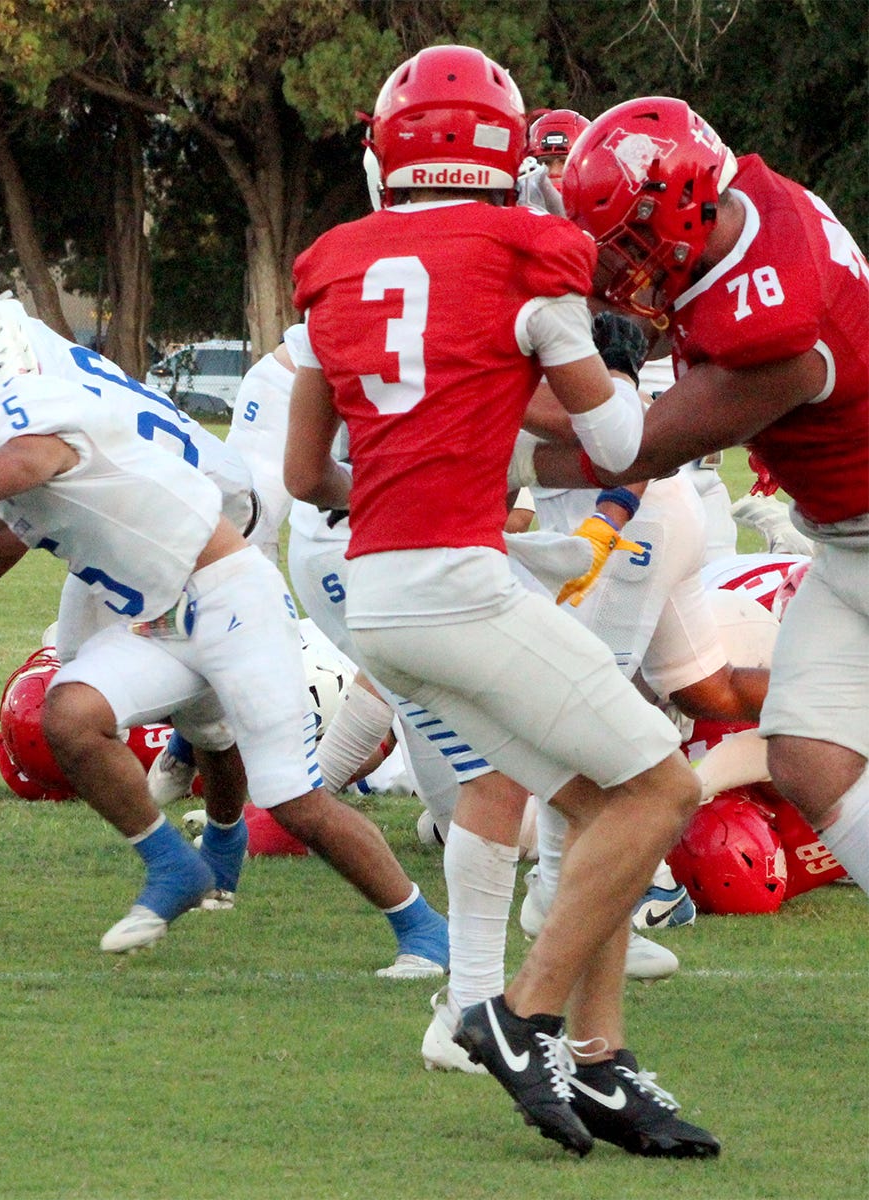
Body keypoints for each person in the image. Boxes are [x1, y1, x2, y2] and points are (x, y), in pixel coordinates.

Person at [283, 48, 711, 1158]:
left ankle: (603, 1063)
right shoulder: (530, 252)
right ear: (504, 154)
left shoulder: (333, 266)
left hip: (378, 598)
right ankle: (517, 1019)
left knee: (605, 806)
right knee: (666, 785)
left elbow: (305, 475)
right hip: (459, 588)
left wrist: (451, 464)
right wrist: (612, 383)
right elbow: (616, 442)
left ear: (387, 157)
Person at [0, 294, 450, 969]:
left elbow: (8, 473)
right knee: (70, 714)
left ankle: (422, 927)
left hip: (229, 598)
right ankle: (173, 866)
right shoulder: (18, 420)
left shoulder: (22, 407)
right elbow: (5, 506)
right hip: (160, 613)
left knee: (293, 799)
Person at [522, 97, 869, 916]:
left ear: (678, 213)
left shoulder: (775, 324)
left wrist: (491, 451)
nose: (616, 270)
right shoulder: (747, 206)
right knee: (810, 759)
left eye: (626, 244)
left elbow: (634, 450)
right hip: (846, 541)